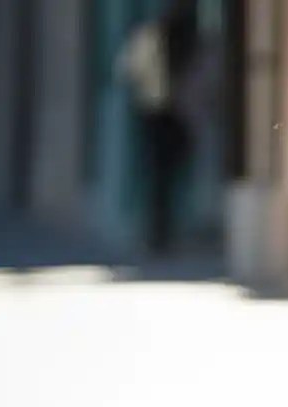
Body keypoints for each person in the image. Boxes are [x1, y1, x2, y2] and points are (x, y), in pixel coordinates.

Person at [117, 0, 200, 257]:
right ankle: (158, 232)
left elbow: (125, 70)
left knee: (166, 171)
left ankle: (164, 230)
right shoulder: (152, 37)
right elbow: (127, 69)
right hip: (156, 111)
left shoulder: (181, 39)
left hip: (170, 112)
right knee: (159, 172)